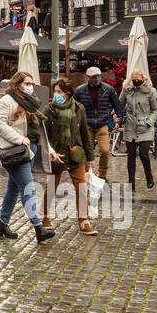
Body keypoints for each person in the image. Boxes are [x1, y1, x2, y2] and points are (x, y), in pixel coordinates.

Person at [0, 71, 56, 243]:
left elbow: (38, 130)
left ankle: (2, 225)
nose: (30, 86)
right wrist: (19, 139)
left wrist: (49, 149)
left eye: (32, 83)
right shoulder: (6, 101)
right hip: (13, 150)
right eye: (27, 83)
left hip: (29, 150)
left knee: (13, 190)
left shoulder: (31, 102)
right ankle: (39, 228)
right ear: (17, 83)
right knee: (28, 188)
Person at [43, 79, 98, 235]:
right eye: (55, 91)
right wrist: (50, 151)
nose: (56, 94)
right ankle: (44, 217)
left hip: (75, 153)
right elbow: (43, 135)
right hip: (56, 155)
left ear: (68, 94)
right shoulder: (49, 110)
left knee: (81, 186)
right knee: (51, 186)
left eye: (59, 91)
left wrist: (90, 156)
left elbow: (84, 134)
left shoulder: (79, 108)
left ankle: (83, 220)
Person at [73, 66, 124, 181]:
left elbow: (117, 105)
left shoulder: (108, 89)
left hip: (102, 124)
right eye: (94, 77)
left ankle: (102, 174)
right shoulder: (79, 90)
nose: (97, 79)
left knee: (105, 150)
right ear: (88, 77)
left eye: (98, 76)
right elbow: (74, 108)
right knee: (87, 151)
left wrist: (119, 120)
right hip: (86, 125)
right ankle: (86, 174)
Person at [120, 70, 157, 191]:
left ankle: (149, 177)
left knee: (144, 154)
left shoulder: (151, 91)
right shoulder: (127, 89)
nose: (136, 81)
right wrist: (117, 116)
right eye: (134, 79)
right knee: (131, 155)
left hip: (145, 127)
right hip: (130, 126)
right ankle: (131, 182)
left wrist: (149, 122)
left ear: (143, 79)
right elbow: (119, 104)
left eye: (138, 79)